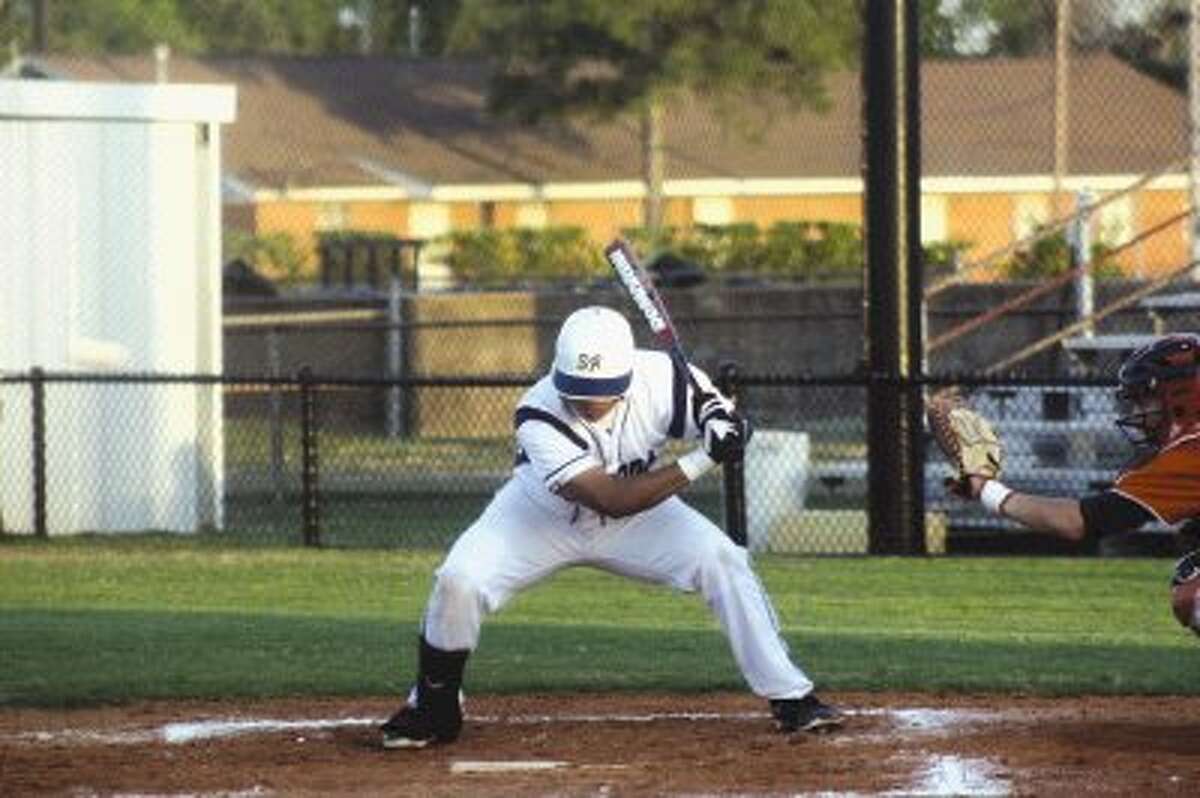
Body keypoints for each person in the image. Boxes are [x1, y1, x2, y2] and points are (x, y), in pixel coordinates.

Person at [380, 305, 843, 749]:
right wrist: (705, 457)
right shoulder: (537, 412)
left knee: (722, 559)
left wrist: (721, 421)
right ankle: (435, 707)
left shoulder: (665, 376)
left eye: (600, 388)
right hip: (540, 516)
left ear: (626, 376)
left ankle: (791, 697)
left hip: (645, 519)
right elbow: (611, 499)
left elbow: (710, 414)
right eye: (577, 387)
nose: (587, 399)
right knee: (459, 579)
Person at [954, 333, 1200, 633]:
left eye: (1145, 399)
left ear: (1182, 396)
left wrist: (987, 490)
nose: (1137, 412)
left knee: (1192, 592)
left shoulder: (1191, 451)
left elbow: (1079, 521)